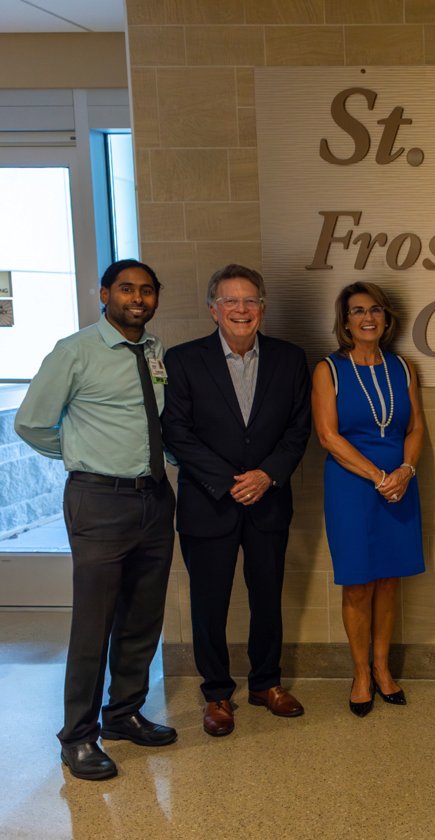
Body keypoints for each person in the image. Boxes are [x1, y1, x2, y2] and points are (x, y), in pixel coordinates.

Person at [14, 259, 177, 780]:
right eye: (126, 289)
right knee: (94, 622)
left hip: (155, 498)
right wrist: (80, 451)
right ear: (104, 294)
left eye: (146, 290)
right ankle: (78, 737)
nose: (137, 298)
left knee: (143, 615)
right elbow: (31, 423)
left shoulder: (154, 351)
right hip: (99, 500)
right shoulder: (74, 351)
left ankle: (124, 713)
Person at [161, 265, 312, 737]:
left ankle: (267, 684)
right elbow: (175, 432)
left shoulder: (290, 359)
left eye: (250, 301)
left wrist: (267, 475)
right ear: (213, 309)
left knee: (267, 597)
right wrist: (229, 482)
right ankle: (217, 693)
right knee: (209, 603)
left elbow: (299, 428)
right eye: (230, 300)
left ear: (262, 308)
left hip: (269, 500)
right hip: (209, 504)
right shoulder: (183, 360)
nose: (241, 309)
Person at [312, 282, 424, 717]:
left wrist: (405, 471)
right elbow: (327, 436)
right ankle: (360, 673)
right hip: (352, 486)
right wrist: (378, 476)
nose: (367, 318)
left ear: (386, 317)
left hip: (400, 484)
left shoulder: (403, 367)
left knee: (389, 580)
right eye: (357, 311)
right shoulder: (329, 369)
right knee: (359, 583)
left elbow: (415, 428)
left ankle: (382, 668)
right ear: (345, 321)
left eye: (375, 309)